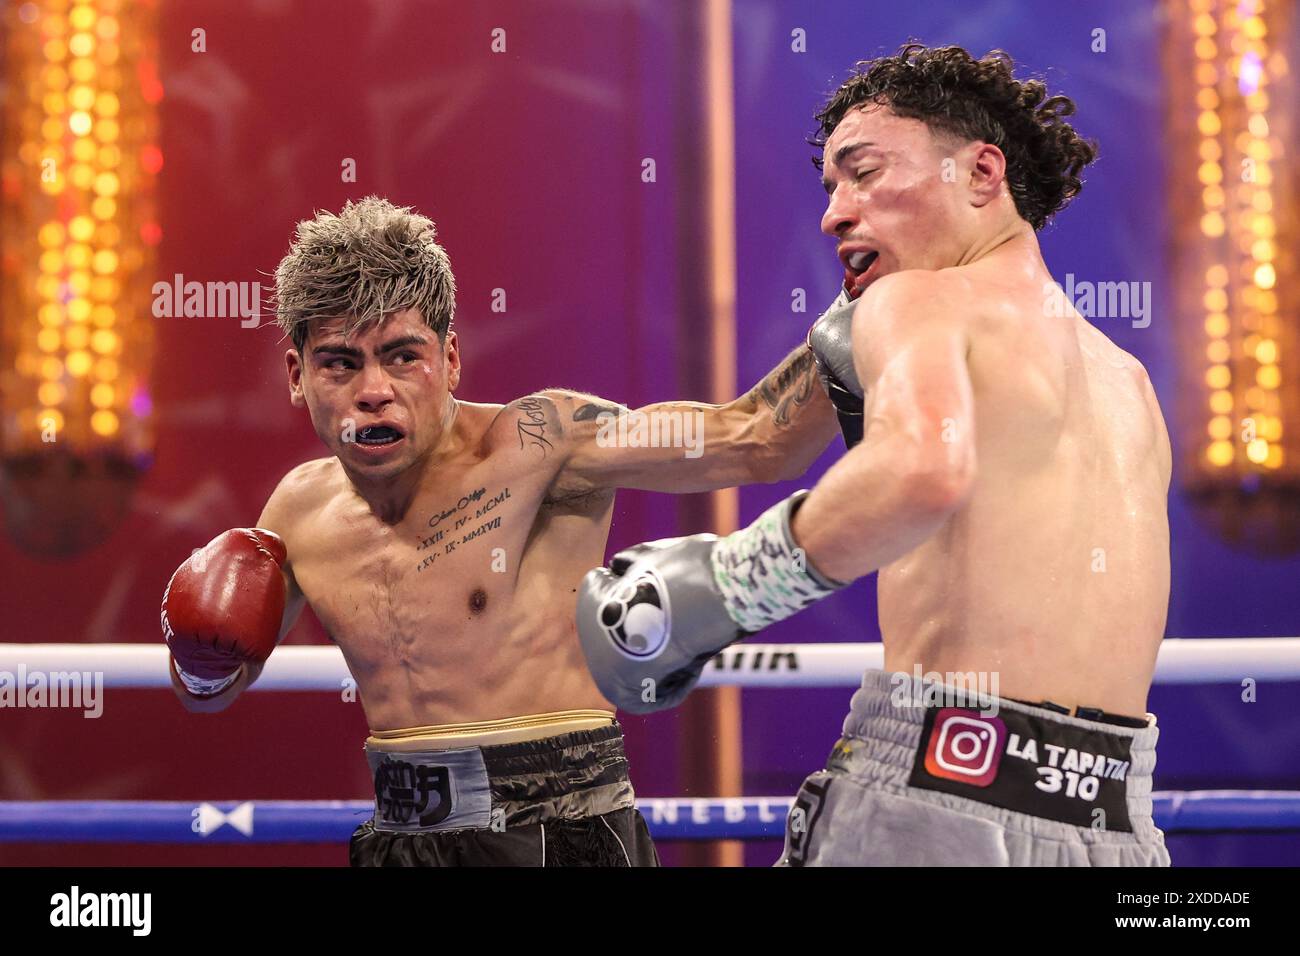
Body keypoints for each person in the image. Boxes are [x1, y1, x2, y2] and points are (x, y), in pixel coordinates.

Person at [577, 44, 1173, 866]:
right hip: (1116, 823)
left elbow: (922, 469)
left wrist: (721, 587)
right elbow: (759, 431)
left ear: (981, 173)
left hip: (939, 792)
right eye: (831, 187)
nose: (834, 213)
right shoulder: (1129, 381)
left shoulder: (915, 299)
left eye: (862, 173)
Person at [159, 196, 840, 866]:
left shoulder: (543, 442)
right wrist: (200, 656)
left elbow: (758, 439)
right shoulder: (297, 511)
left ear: (450, 359)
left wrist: (862, 308)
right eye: (340, 362)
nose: (373, 389)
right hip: (401, 842)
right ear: (296, 376)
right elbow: (211, 689)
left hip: (558, 833)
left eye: (402, 357)